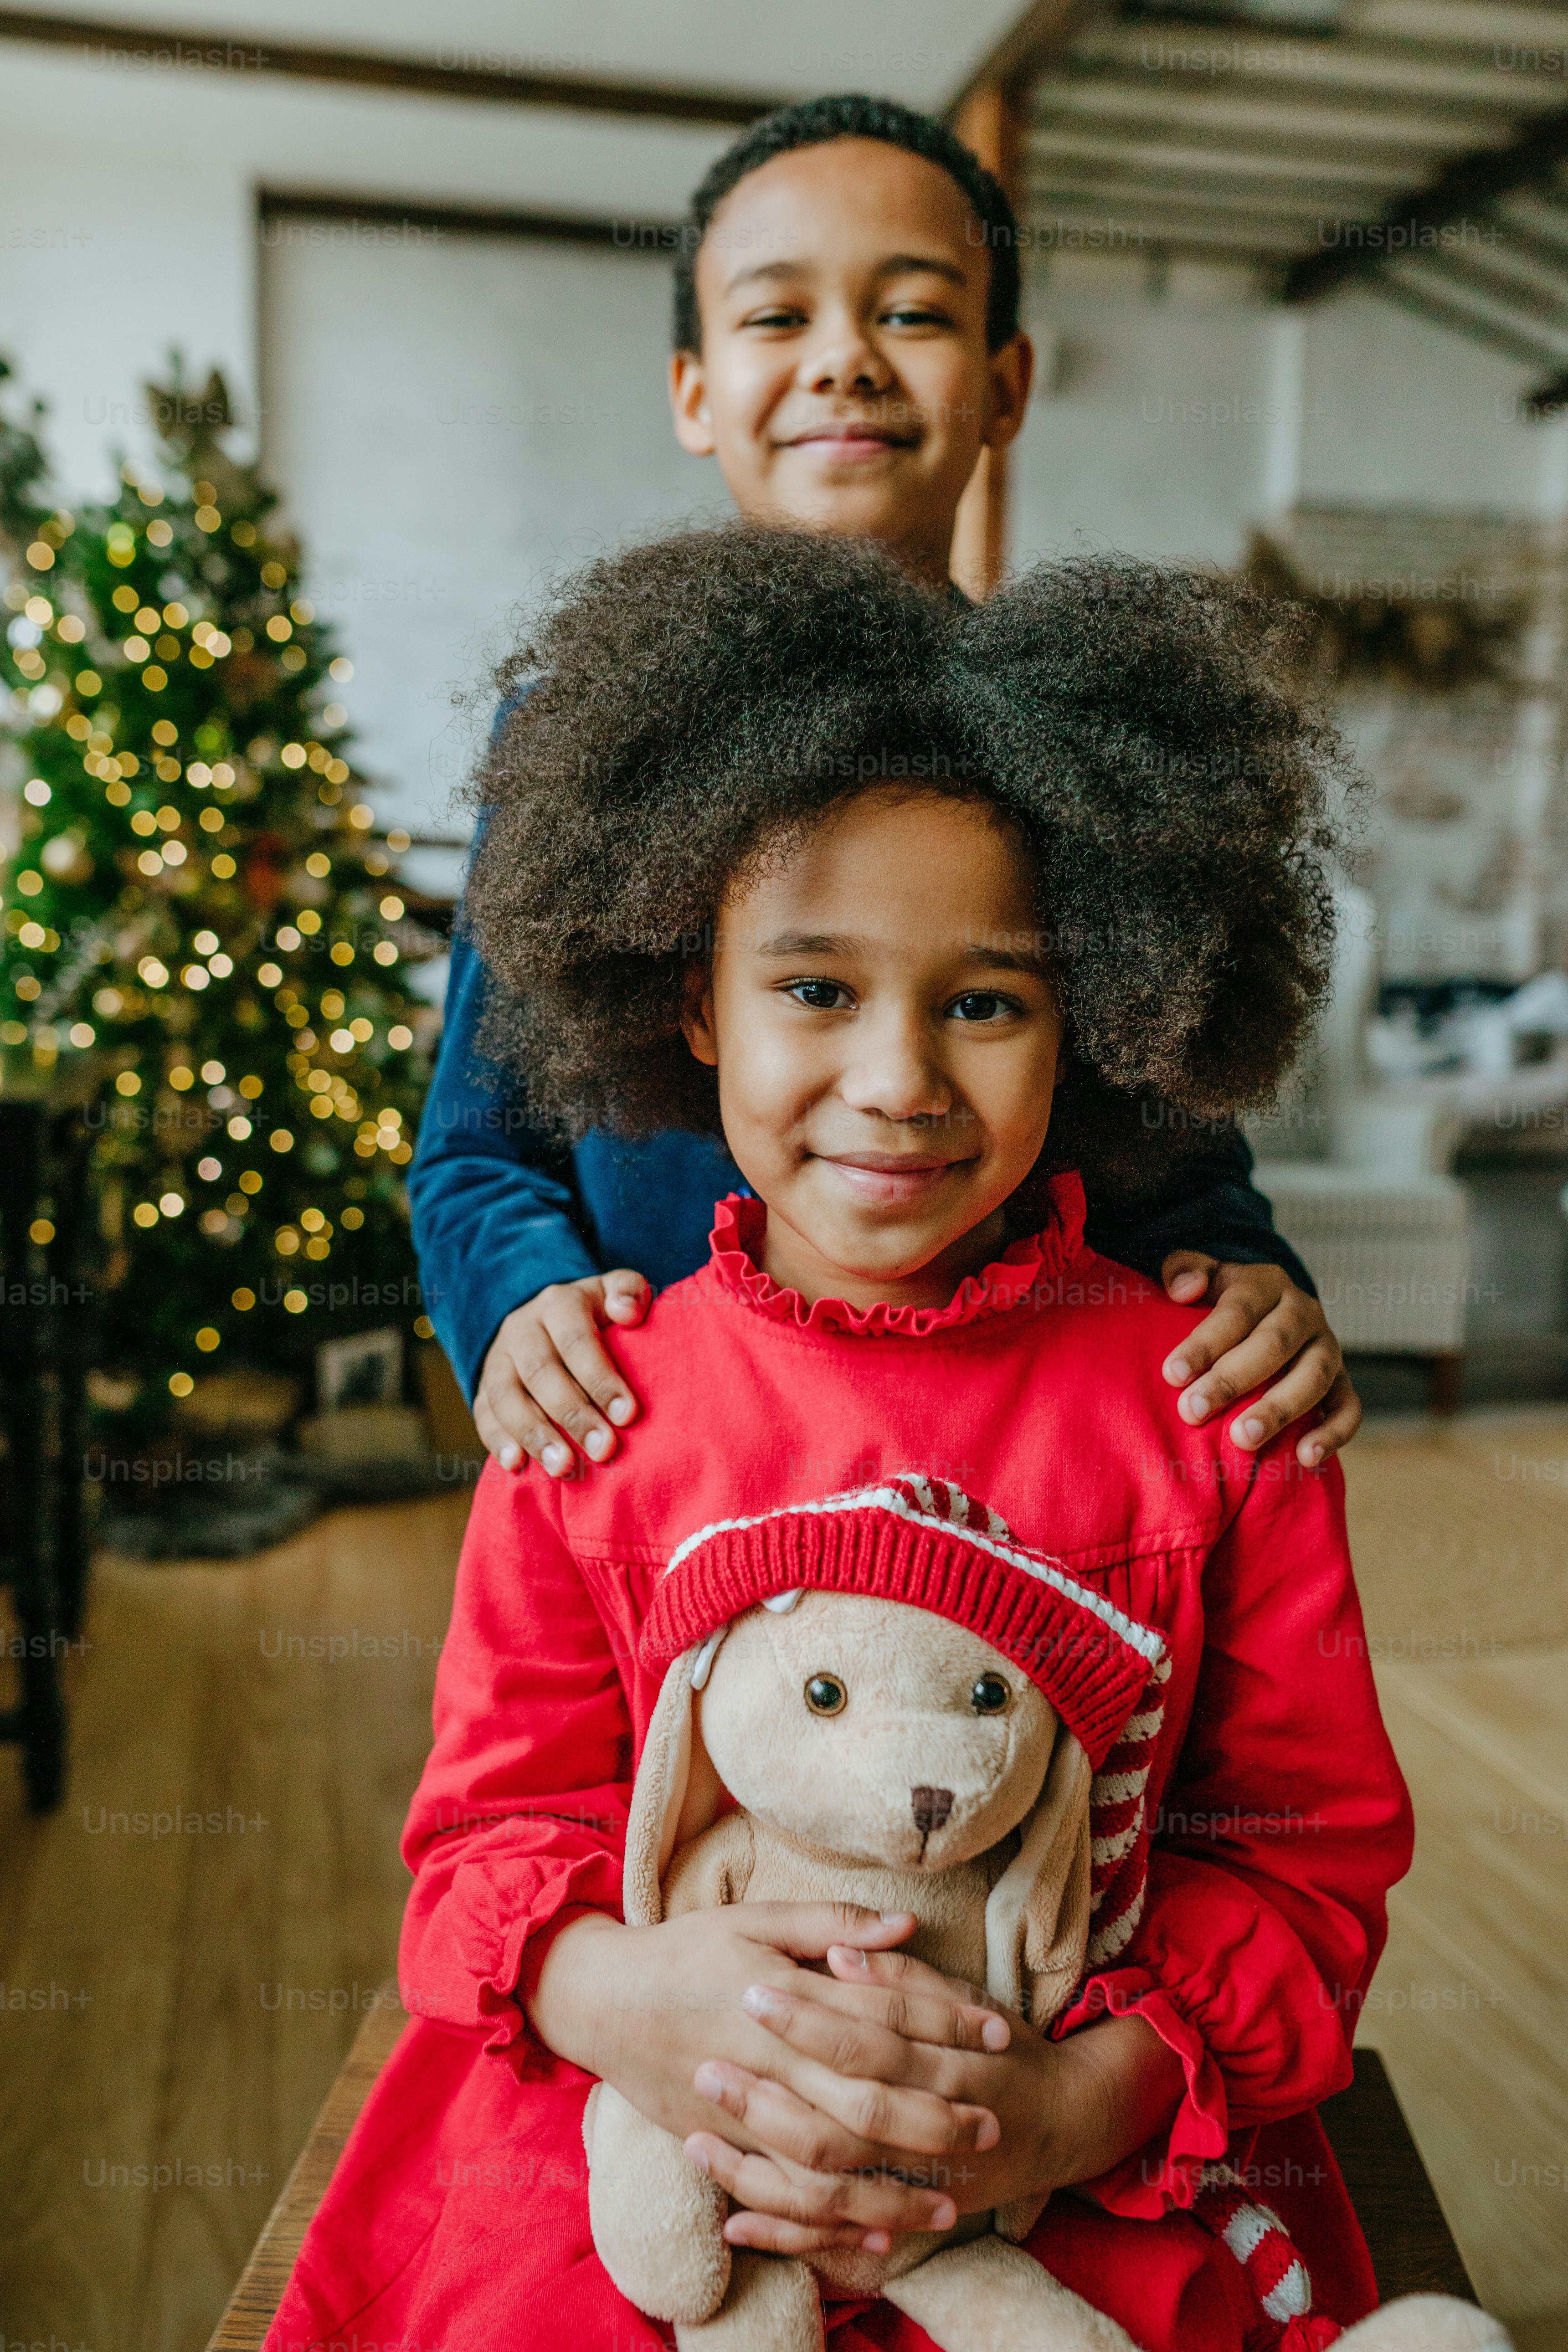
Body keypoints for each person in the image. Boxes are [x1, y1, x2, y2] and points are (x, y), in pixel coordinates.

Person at [270, 532, 1411, 2352]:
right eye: (815, 988)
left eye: (986, 1000)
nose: (898, 1081)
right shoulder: (593, 1413)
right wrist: (631, 2002)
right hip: (642, 2129)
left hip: (1096, 2158)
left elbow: (1300, 1863)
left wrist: (1063, 2106)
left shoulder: (1219, 1416)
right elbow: (489, 1839)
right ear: (691, 1002)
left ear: (1094, 1017)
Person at [408, 92, 1362, 1489]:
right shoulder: (572, 747)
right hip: (664, 1462)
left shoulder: (1102, 750)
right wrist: (518, 1305)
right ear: (694, 389)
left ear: (1004, 382)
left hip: (1016, 1481)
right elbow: (476, 1150)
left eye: (911, 313)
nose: (845, 360)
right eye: (776, 315)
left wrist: (1239, 1274)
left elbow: (1176, 1159)